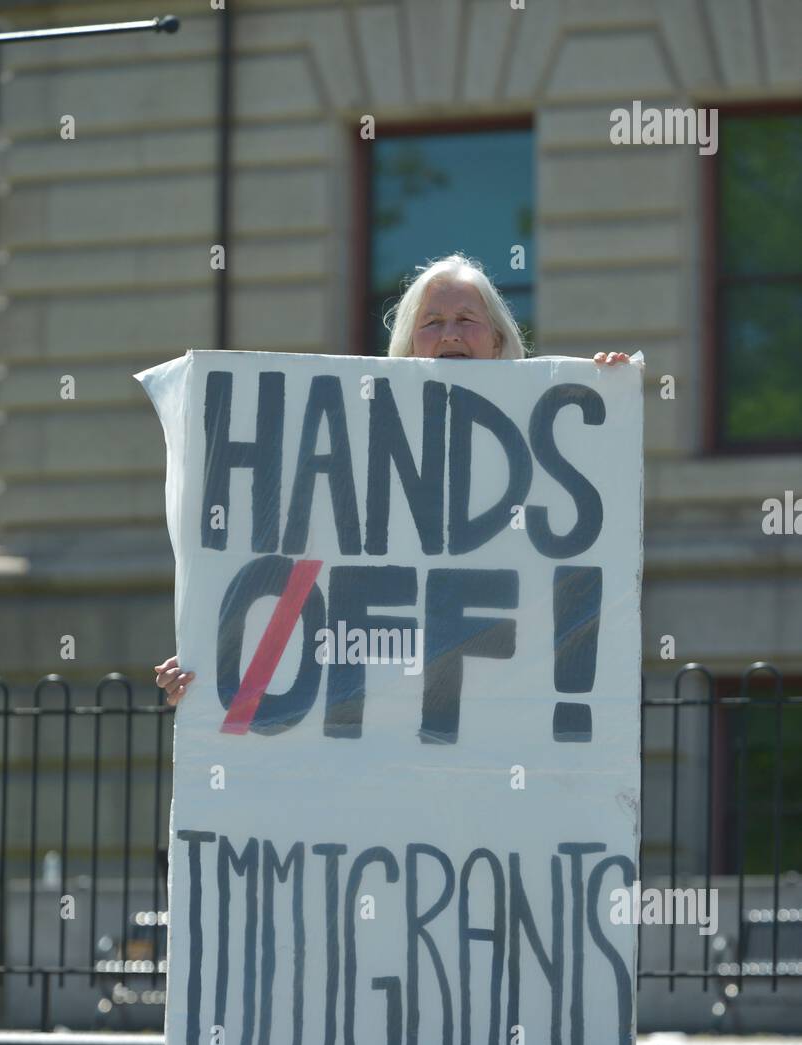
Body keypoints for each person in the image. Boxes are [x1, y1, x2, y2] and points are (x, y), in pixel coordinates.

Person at [155, 252, 630, 705]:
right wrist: (215, 660)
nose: (450, 334)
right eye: (432, 323)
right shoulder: (353, 447)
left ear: (498, 340)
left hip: (498, 698)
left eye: (467, 320)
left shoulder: (549, 444)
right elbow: (300, 558)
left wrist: (613, 392)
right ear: (407, 346)